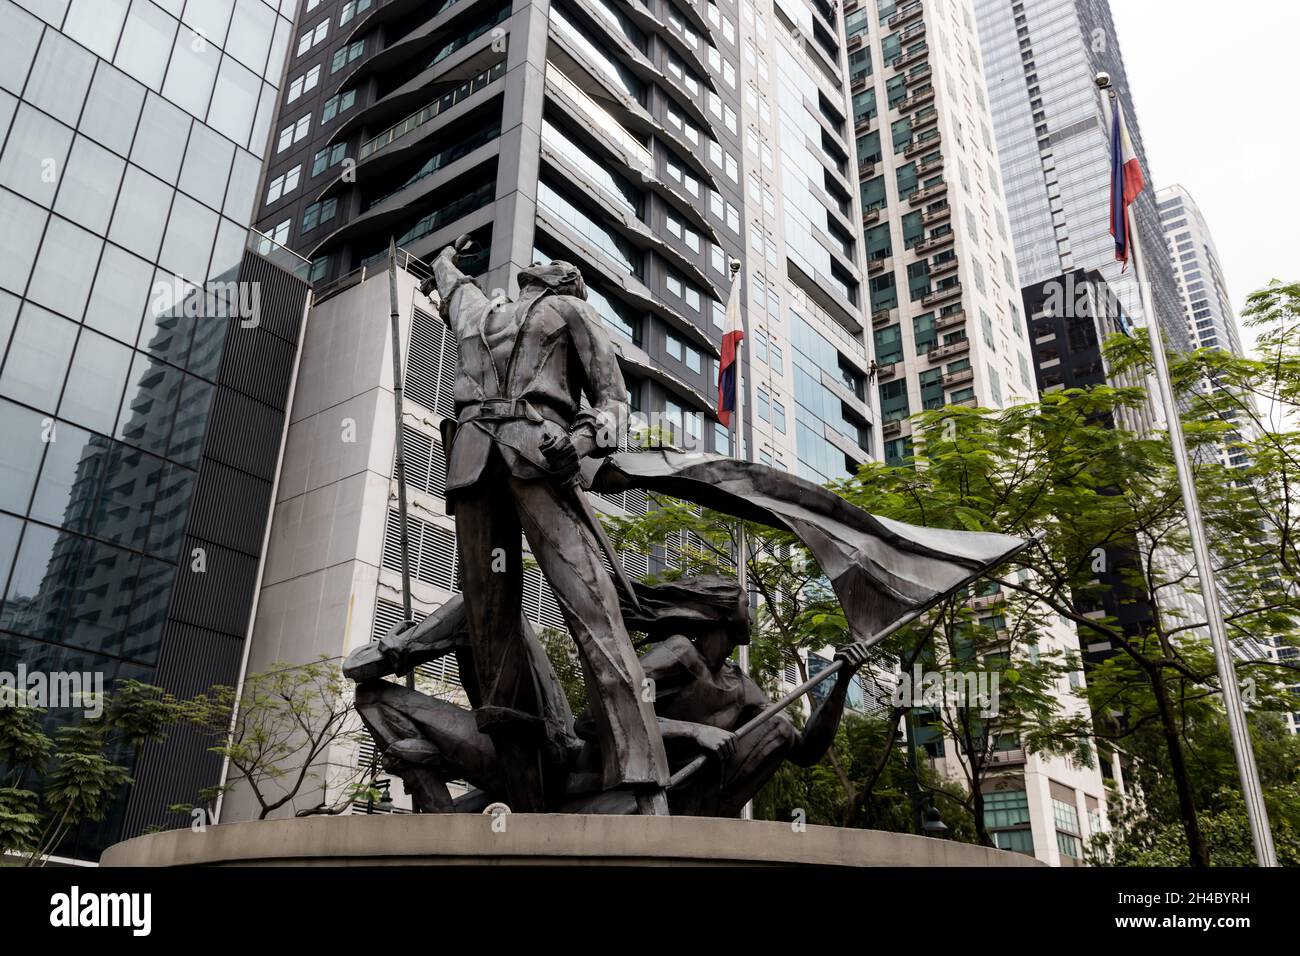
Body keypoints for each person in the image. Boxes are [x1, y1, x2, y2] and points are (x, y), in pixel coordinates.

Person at [427, 239, 669, 814]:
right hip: (471, 464)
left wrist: (583, 440)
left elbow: (614, 400)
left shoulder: (573, 312)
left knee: (590, 603)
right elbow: (450, 284)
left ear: (562, 279)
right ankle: (522, 785)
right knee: (490, 625)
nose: (545, 267)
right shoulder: (478, 312)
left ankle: (639, 771)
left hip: (540, 455)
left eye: (557, 267)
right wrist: (445, 261)